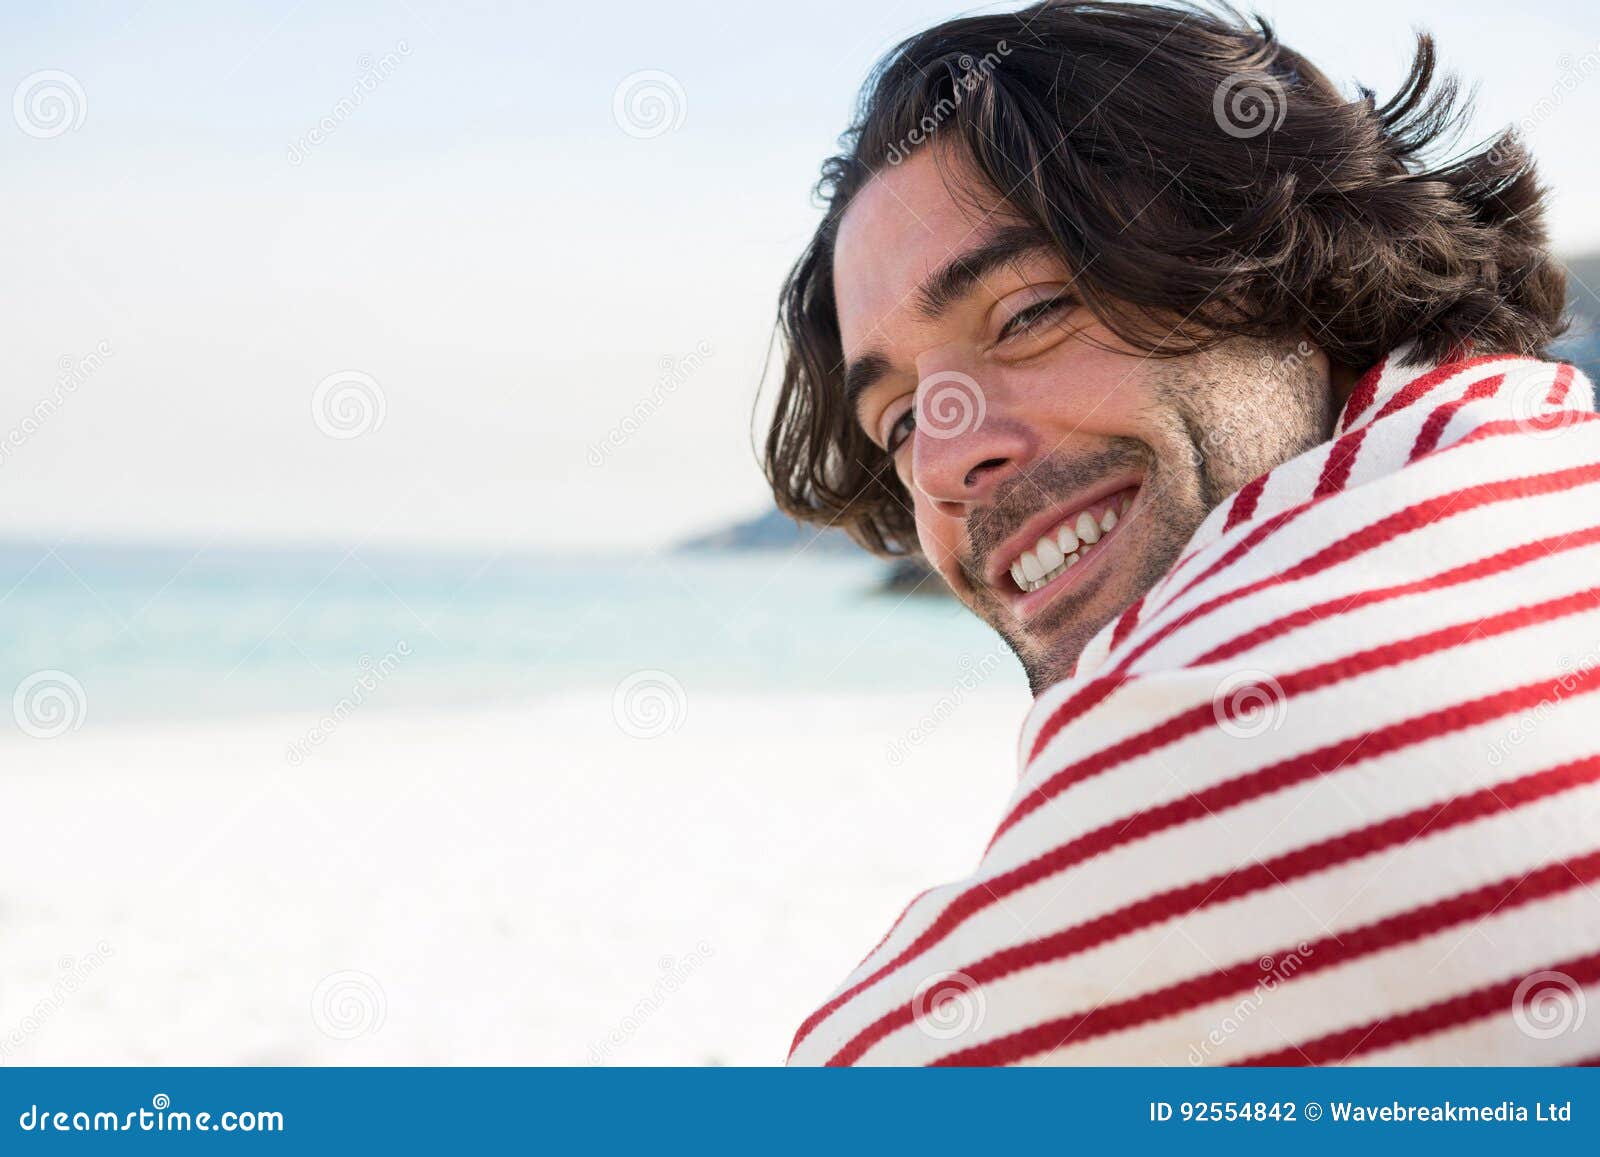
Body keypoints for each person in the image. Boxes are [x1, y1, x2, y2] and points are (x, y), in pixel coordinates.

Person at [763, 0, 1600, 1065]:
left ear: (1293, 267)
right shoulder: (1537, 458)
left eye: (1028, 313)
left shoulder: (1249, 719)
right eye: (895, 424)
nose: (939, 460)